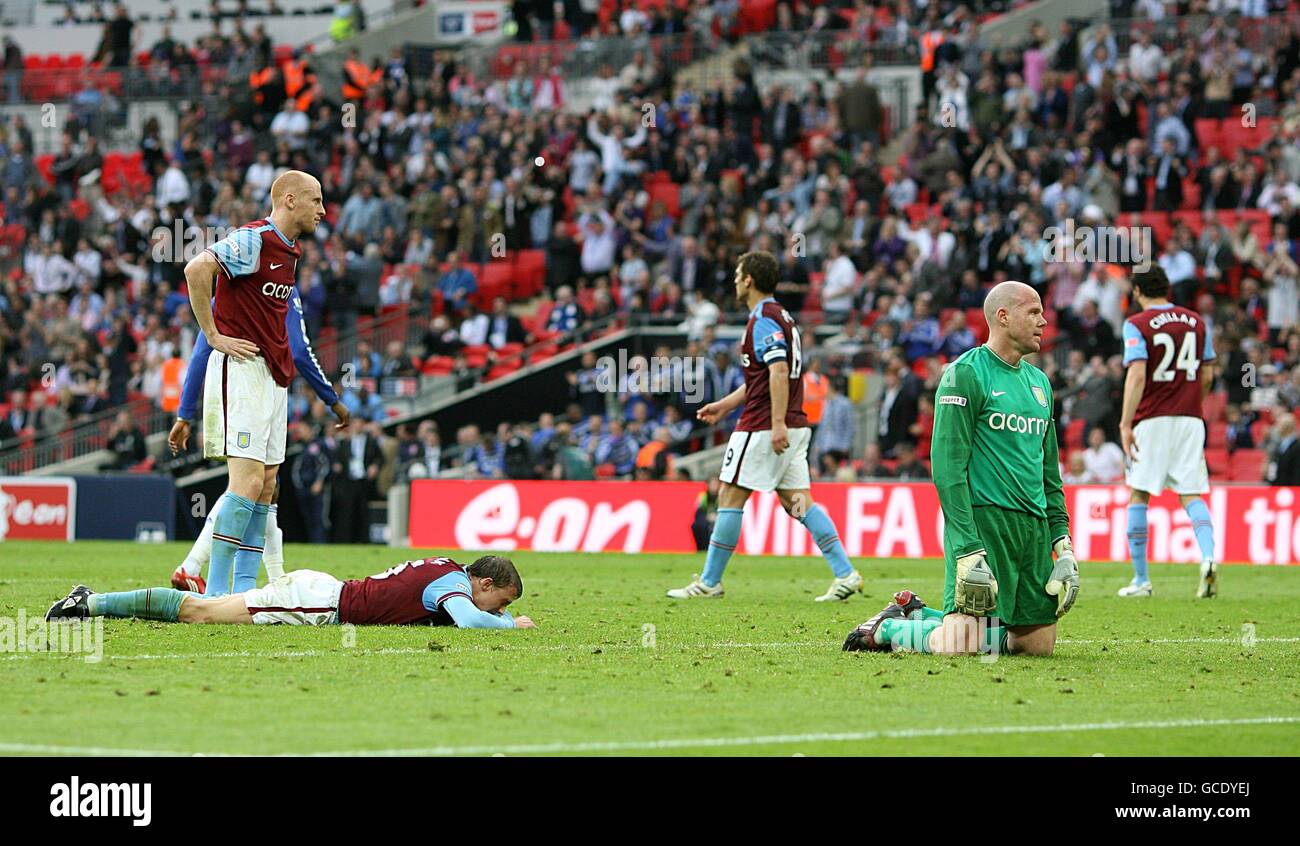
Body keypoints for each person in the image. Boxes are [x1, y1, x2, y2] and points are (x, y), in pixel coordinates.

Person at [844, 281, 1079, 656]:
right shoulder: (966, 374)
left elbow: (1050, 473)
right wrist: (967, 547)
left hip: (1032, 529)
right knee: (961, 647)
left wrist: (1062, 543)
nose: (1044, 320)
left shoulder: (1041, 385)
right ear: (1003, 317)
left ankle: (920, 612)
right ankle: (892, 628)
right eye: (1033, 312)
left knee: (1036, 647)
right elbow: (948, 468)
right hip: (984, 523)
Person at [667, 251, 864, 602]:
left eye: (738, 273)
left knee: (729, 495)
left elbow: (776, 373)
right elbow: (763, 376)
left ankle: (710, 581)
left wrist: (775, 425)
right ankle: (846, 573)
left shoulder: (763, 320)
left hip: (764, 426)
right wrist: (724, 406)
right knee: (798, 503)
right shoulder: (782, 316)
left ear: (749, 281)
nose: (734, 280)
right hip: (792, 423)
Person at [181, 170, 323, 598]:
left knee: (265, 484)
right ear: (290, 200)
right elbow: (196, 268)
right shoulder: (254, 239)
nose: (323, 209)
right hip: (242, 370)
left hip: (272, 376)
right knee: (243, 482)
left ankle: (245, 588)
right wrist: (212, 335)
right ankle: (216, 593)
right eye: (316, 200)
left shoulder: (289, 250)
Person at [168, 285, 349, 592]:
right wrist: (331, 398)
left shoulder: (230, 288)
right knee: (246, 485)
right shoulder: (278, 286)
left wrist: (185, 413)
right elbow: (300, 351)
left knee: (264, 486)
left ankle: (253, 580)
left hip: (258, 386)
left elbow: (200, 351)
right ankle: (205, 576)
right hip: (249, 384)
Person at [47, 555, 535, 630]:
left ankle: (89, 601)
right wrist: (511, 626)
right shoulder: (454, 586)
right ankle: (88, 605)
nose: (500, 609)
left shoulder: (446, 570)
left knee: (206, 607)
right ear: (484, 584)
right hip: (320, 603)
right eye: (503, 601)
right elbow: (471, 620)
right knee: (200, 612)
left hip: (322, 591)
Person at [1118, 267, 1218, 599]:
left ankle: (1141, 580)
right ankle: (1208, 559)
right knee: (1191, 493)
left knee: (1139, 494)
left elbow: (1137, 374)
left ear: (1136, 291)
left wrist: (1125, 423)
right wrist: (1191, 404)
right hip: (1190, 418)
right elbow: (1207, 375)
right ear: (1168, 288)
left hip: (1151, 419)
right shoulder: (1198, 323)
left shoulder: (1136, 325)